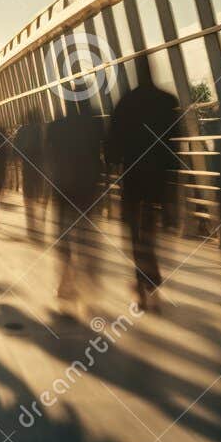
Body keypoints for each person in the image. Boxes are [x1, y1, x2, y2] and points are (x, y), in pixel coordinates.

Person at [107, 79, 181, 311]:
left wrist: (113, 163)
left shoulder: (126, 102)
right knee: (149, 231)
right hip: (158, 180)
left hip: (133, 179)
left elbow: (112, 144)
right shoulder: (167, 101)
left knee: (133, 233)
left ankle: (141, 284)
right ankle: (151, 281)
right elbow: (174, 143)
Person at [45, 94, 106, 299]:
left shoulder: (56, 127)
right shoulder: (93, 125)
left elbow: (48, 156)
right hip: (87, 187)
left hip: (62, 186)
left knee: (62, 233)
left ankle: (65, 282)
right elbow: (103, 153)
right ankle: (87, 277)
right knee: (85, 231)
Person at [13, 117, 48, 240]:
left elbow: (15, 150)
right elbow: (47, 148)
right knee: (39, 195)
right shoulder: (42, 129)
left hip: (27, 169)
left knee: (28, 197)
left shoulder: (22, 130)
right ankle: (40, 221)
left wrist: (17, 160)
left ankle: (31, 225)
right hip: (40, 169)